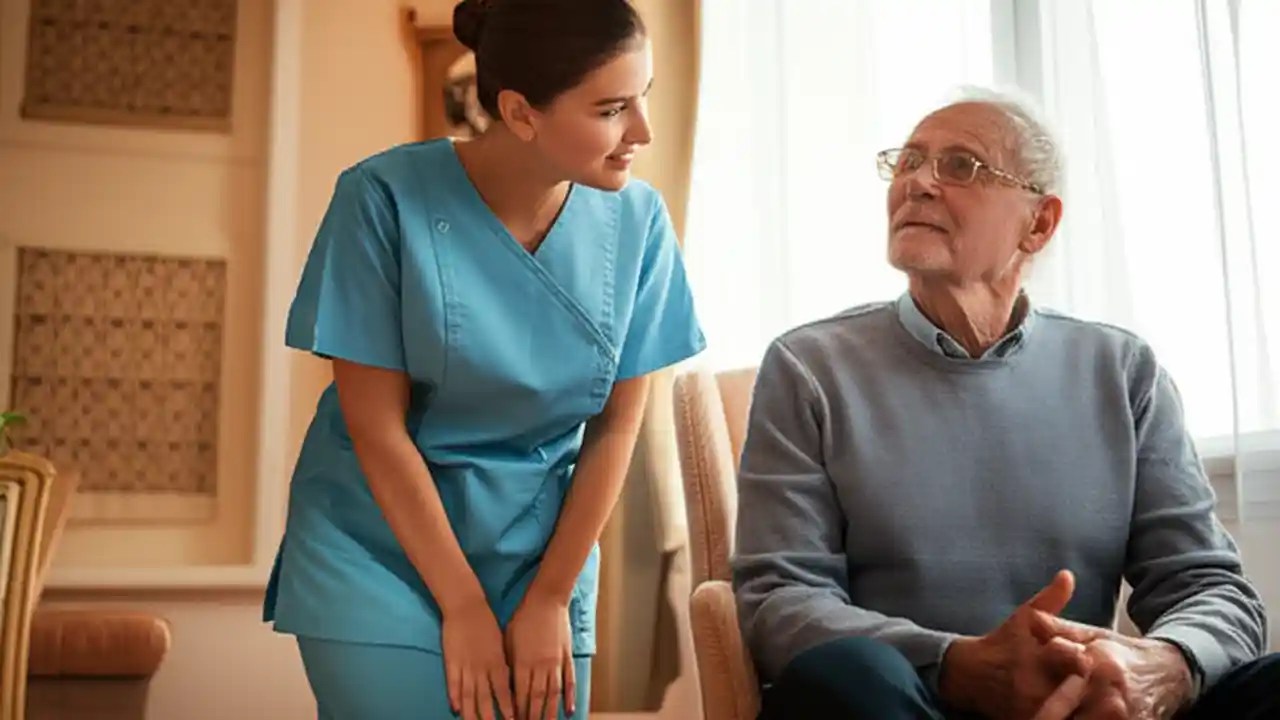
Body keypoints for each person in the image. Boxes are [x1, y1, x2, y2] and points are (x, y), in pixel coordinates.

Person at [732, 88, 1278, 719]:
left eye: (959, 166)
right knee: (845, 677)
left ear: (1039, 224)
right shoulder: (810, 367)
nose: (917, 184)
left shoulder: (1124, 370)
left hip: (1085, 708)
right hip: (914, 701)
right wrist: (960, 663)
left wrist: (1160, 666)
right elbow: (780, 600)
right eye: (908, 161)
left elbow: (1210, 587)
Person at [262, 1, 705, 718]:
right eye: (612, 109)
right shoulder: (380, 199)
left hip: (541, 557)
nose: (641, 134)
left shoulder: (641, 223)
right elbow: (377, 429)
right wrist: (463, 607)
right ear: (521, 112)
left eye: (643, 98)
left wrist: (552, 596)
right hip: (380, 550)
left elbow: (618, 428)